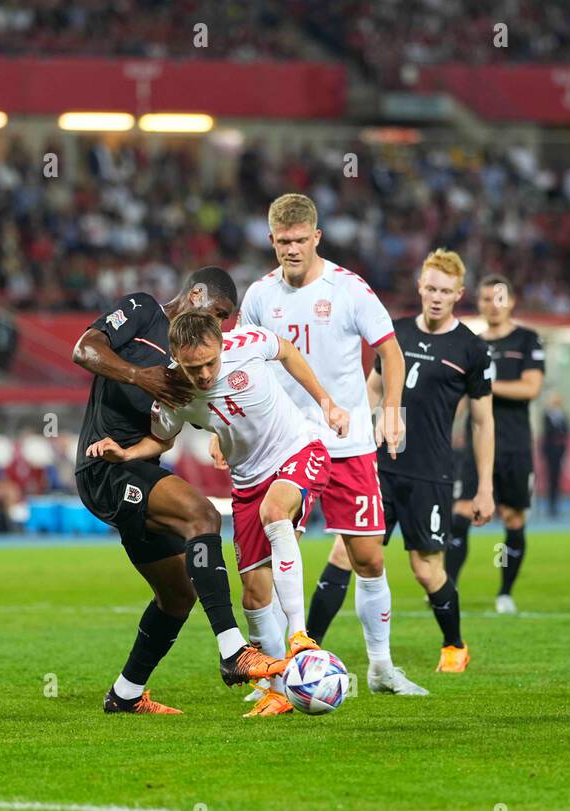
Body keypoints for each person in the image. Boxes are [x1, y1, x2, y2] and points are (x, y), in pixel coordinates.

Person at [87, 310, 349, 717]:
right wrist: (125, 453)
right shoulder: (174, 390)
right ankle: (278, 691)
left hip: (298, 451)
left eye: (210, 362)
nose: (205, 374)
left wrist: (326, 403)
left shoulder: (248, 344)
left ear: (222, 345)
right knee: (254, 594)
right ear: (176, 357)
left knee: (276, 510)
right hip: (246, 483)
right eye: (194, 367)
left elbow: (288, 352)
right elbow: (161, 439)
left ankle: (300, 636)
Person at [233, 193, 428, 696]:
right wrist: (225, 434)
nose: (291, 250)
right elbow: (239, 363)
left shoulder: (349, 290)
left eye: (300, 241)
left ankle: (382, 667)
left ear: (316, 237)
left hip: (346, 442)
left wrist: (390, 412)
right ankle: (277, 677)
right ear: (271, 239)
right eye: (282, 242)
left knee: (369, 558)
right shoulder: (258, 296)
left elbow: (390, 351)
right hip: (282, 445)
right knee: (277, 551)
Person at [71, 267, 288, 715]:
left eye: (227, 320)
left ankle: (125, 695)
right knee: (203, 517)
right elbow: (83, 349)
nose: (221, 325)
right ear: (195, 295)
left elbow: (176, 429)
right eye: (219, 313)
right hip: (104, 467)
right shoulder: (143, 311)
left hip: (138, 471)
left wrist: (219, 436)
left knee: (177, 596)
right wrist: (138, 375)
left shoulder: (190, 366)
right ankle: (233, 653)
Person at [359, 249, 494, 673]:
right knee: (352, 555)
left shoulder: (471, 348)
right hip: (381, 466)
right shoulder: (393, 333)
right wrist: (363, 435)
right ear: (420, 286)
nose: (436, 297)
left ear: (459, 293)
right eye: (430, 288)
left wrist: (484, 487)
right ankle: (310, 647)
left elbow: (482, 422)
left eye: (445, 291)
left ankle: (454, 645)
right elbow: (373, 390)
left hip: (431, 471)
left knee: (425, 568)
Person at [447, 275, 545, 615]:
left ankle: (505, 592)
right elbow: (458, 396)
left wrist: (484, 384)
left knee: (514, 517)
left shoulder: (527, 339)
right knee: (460, 511)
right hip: (475, 444)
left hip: (515, 445)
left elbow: (530, 388)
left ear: (511, 301)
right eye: (486, 299)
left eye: (498, 298)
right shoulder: (471, 345)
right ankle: (448, 588)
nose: (492, 304)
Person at [541, 392, 570, 517]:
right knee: (550, 478)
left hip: (559, 451)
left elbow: (567, 430)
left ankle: (555, 504)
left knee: (557, 478)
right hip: (550, 451)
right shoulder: (547, 415)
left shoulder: (563, 415)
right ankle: (551, 504)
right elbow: (548, 432)